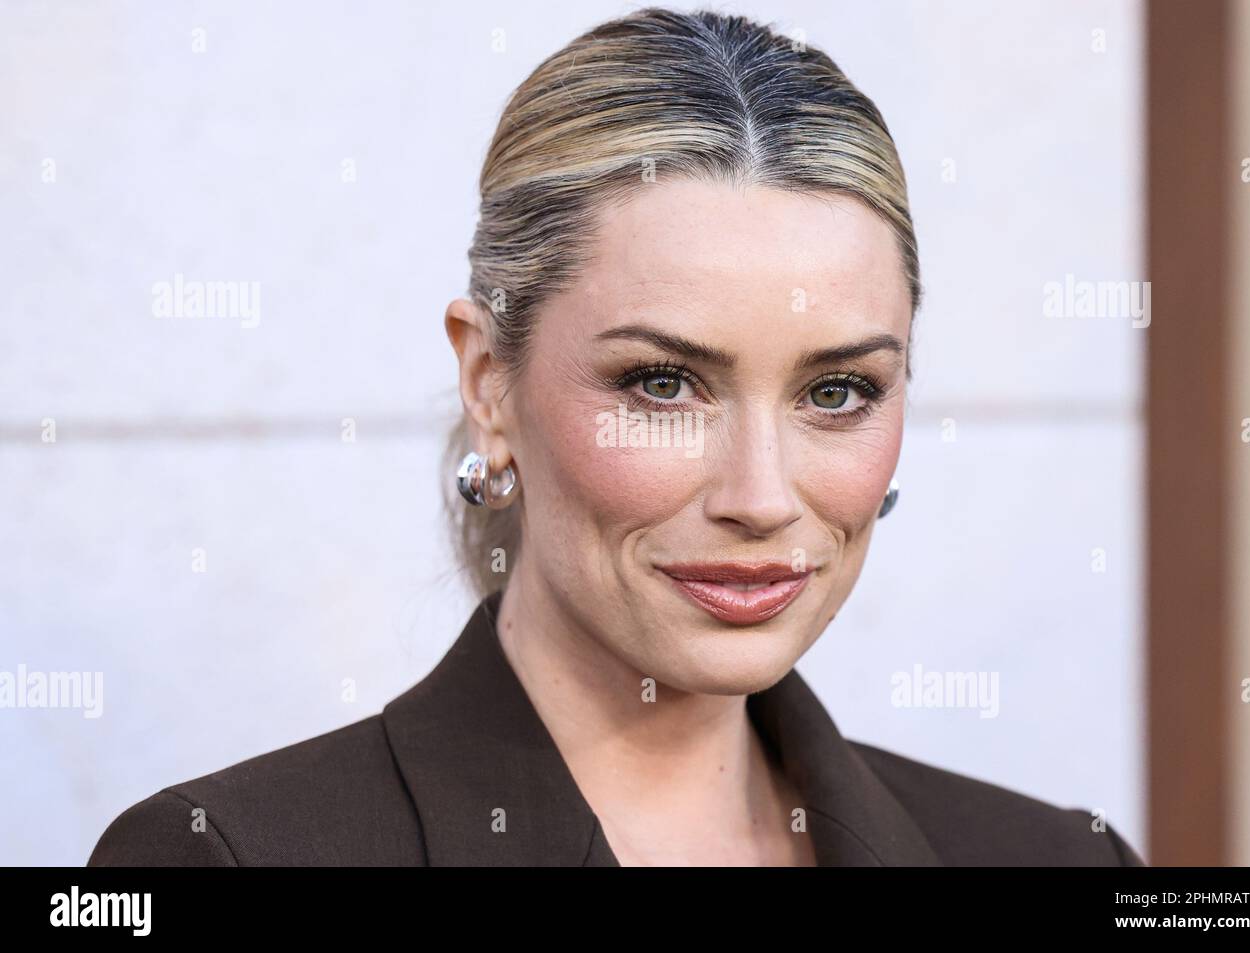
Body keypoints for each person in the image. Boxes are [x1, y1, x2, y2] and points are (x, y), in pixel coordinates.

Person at [88, 7, 1144, 867]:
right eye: (663, 381)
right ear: (488, 380)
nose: (761, 495)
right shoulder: (230, 857)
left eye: (835, 390)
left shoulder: (1054, 857)